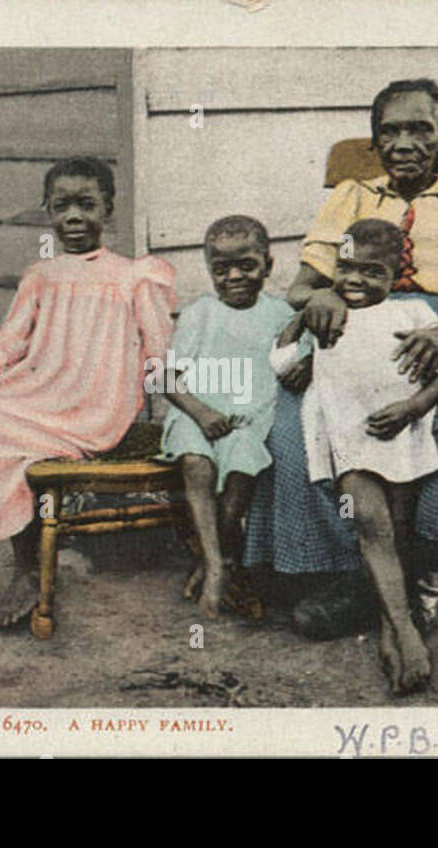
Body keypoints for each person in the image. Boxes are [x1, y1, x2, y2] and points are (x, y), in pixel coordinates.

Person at [246, 78, 438, 639]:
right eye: (390, 131)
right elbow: (301, 287)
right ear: (375, 140)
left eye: (420, 129)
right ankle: (358, 573)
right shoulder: (354, 198)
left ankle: (392, 578)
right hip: (349, 343)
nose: (404, 142)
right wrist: (329, 294)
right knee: (292, 433)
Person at [0, 157, 177, 630]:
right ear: (47, 210)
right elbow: (8, 343)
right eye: (62, 205)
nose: (74, 217)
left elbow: (158, 350)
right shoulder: (41, 276)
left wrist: (176, 408)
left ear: (109, 208)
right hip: (44, 391)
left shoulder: (134, 275)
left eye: (87, 205)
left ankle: (30, 567)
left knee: (11, 436)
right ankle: (26, 570)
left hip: (96, 403)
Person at [272, 219, 438, 692]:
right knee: (372, 526)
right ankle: (405, 635)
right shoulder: (327, 312)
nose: (354, 280)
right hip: (348, 439)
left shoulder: (413, 311)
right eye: (346, 268)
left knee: (396, 532)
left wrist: (411, 407)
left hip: (403, 436)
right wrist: (305, 311)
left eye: (371, 272)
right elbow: (281, 360)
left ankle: (393, 625)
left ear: (397, 275)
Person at [156, 215, 298, 618]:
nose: (234, 276)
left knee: (240, 466)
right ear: (209, 271)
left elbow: (292, 367)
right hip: (196, 412)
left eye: (247, 266)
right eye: (221, 269)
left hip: (248, 418)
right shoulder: (200, 312)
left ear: (268, 266)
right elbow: (167, 378)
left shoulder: (281, 314)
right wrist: (201, 413)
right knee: (197, 464)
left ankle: (213, 557)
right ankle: (218, 564)